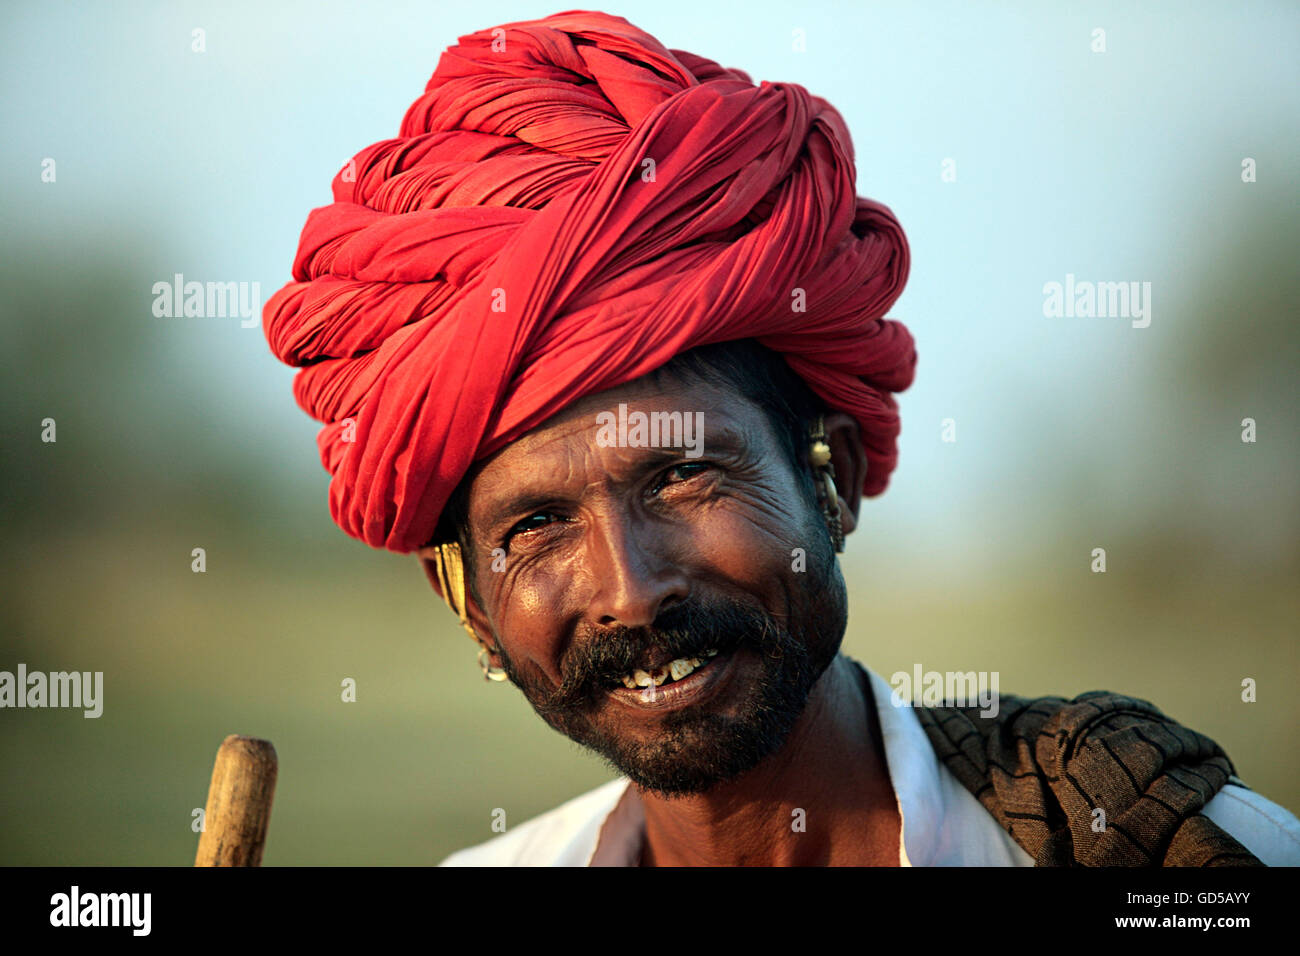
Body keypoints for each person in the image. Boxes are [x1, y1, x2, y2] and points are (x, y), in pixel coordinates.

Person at [263, 11, 1300, 866]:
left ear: (831, 481)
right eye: (535, 524)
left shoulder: (1164, 849)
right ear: (473, 610)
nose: (629, 589)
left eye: (679, 475)